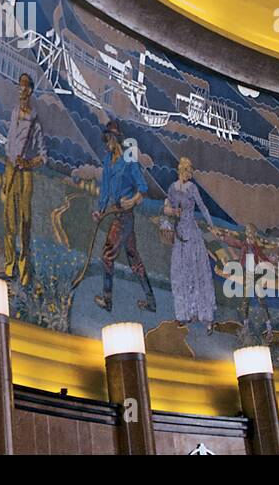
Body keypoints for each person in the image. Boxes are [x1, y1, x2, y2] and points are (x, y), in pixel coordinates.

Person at [92, 120, 154, 313]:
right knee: (133, 258)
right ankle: (151, 302)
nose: (106, 143)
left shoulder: (128, 160)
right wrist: (100, 210)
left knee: (107, 254)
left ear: (116, 139)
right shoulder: (107, 160)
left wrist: (133, 200)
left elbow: (143, 188)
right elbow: (105, 190)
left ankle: (108, 300)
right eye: (105, 139)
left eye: (109, 139)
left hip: (125, 215)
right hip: (116, 211)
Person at [1, 73, 45, 286]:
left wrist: (28, 163)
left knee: (24, 225)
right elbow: (8, 145)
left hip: (25, 176)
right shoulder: (14, 113)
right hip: (10, 171)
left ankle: (25, 274)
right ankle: (9, 268)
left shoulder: (34, 121)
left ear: (30, 91)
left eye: (26, 86)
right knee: (9, 222)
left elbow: (43, 157)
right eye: (20, 86)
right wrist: (5, 174)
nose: (22, 90)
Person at [164, 157, 216, 332]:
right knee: (181, 274)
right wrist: (172, 211)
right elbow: (166, 207)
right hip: (179, 234)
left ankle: (203, 314)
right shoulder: (173, 187)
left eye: (190, 172)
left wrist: (212, 226)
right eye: (187, 171)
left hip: (191, 235)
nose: (189, 174)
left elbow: (202, 207)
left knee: (196, 272)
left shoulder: (192, 188)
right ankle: (183, 314)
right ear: (181, 170)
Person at [232, 222, 273, 342]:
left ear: (254, 234)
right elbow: (240, 256)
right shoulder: (245, 245)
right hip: (248, 274)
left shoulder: (255, 246)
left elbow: (262, 256)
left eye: (250, 232)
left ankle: (269, 327)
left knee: (261, 300)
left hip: (255, 273)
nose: (249, 234)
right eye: (247, 232)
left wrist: (270, 262)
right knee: (245, 301)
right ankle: (245, 326)